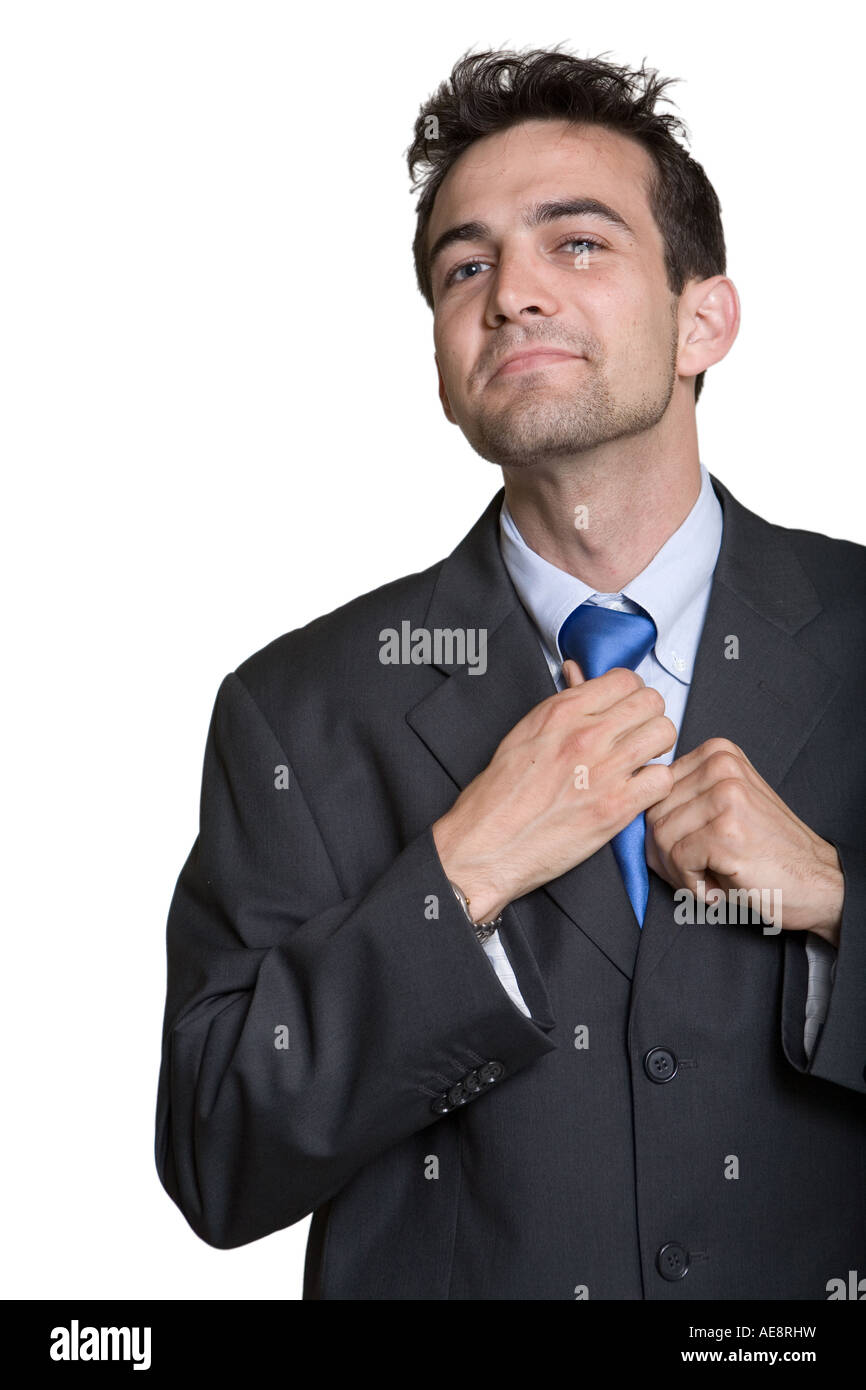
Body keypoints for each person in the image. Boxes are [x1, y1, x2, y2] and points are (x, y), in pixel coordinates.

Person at [154, 48, 866, 1300]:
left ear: (704, 316)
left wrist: (833, 902)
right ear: (441, 356)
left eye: (576, 244)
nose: (511, 295)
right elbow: (217, 1155)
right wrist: (458, 872)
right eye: (465, 266)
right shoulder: (295, 709)